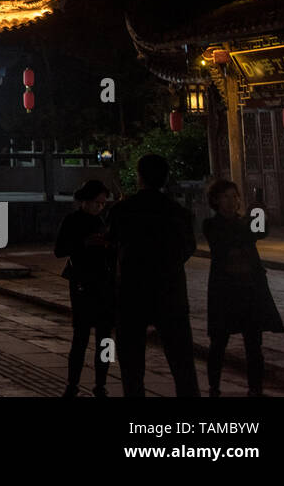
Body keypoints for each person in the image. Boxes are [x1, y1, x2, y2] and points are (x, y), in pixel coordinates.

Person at [106, 154, 200, 397]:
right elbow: (188, 248)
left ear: (139, 177)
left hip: (132, 291)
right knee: (182, 363)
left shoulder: (123, 209)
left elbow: (112, 242)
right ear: (166, 178)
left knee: (132, 365)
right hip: (170, 291)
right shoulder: (178, 212)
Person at [202, 180, 284, 396]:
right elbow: (227, 241)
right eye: (227, 197)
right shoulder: (211, 225)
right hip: (225, 292)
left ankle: (255, 389)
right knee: (219, 343)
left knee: (254, 345)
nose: (232, 201)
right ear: (216, 200)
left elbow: (259, 233)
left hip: (250, 290)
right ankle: (214, 387)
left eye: (235, 196)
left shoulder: (244, 223)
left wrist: (259, 214)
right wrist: (248, 222)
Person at [54, 180, 114, 397]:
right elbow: (60, 250)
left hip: (105, 284)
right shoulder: (72, 221)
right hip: (82, 282)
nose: (101, 207)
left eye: (103, 203)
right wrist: (84, 243)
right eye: (97, 203)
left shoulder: (103, 220)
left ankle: (101, 383)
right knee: (80, 336)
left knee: (106, 339)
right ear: (85, 201)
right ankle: (72, 383)